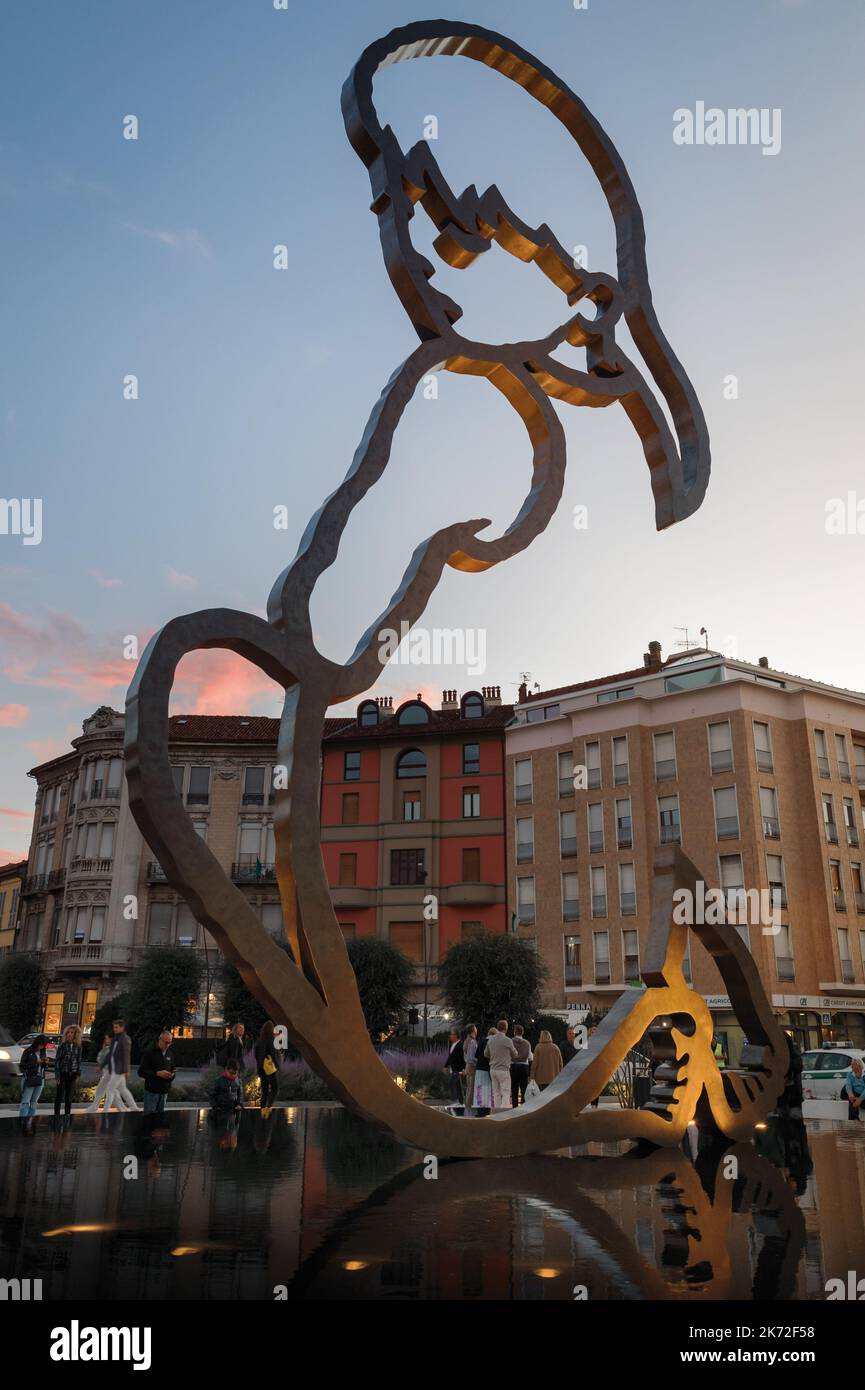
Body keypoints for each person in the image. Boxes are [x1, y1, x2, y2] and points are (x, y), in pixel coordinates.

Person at [138, 1030, 176, 1114]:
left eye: (170, 1042)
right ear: (160, 1040)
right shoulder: (149, 1052)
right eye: (166, 1042)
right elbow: (141, 1072)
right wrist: (157, 1073)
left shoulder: (170, 1053)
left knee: (160, 1120)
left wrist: (172, 1075)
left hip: (164, 1091)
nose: (168, 1045)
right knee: (149, 1118)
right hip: (152, 1091)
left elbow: (173, 1068)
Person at [105, 1019, 138, 1112]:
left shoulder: (125, 1039)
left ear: (122, 1027)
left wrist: (126, 1070)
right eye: (114, 1027)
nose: (114, 1029)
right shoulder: (115, 1038)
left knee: (110, 1089)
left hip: (119, 1069)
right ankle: (131, 1108)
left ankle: (106, 1110)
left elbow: (126, 1055)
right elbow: (110, 1054)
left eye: (116, 1027)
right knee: (122, 1089)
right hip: (114, 1068)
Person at [485, 1019, 517, 1110]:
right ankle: (504, 1113)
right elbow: (515, 1054)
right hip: (503, 1069)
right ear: (506, 1029)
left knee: (496, 1092)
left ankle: (496, 1111)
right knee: (506, 1091)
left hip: (493, 1069)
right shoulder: (507, 1040)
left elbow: (486, 1054)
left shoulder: (490, 1040)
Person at [19, 1034, 48, 1131]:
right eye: (40, 1044)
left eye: (43, 1045)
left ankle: (30, 1121)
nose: (41, 1047)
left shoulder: (43, 1053)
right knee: (26, 1101)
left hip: (40, 1078)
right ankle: (23, 1121)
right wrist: (36, 1063)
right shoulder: (28, 1051)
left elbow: (44, 1067)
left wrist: (45, 1063)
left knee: (34, 1102)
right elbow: (22, 1065)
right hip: (30, 1078)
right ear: (36, 1043)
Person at [53, 1025, 82, 1120]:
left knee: (69, 1098)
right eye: (68, 1033)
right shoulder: (62, 1046)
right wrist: (57, 1076)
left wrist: (78, 1074)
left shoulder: (78, 1047)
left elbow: (79, 1061)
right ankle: (56, 1117)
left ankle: (67, 1117)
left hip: (72, 1075)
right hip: (62, 1074)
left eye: (71, 1033)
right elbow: (57, 1061)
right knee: (59, 1097)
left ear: (75, 1035)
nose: (69, 1034)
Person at [256, 1020, 280, 1114]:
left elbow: (256, 1055)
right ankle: (268, 1108)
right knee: (275, 1088)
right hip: (269, 1069)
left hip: (261, 1068)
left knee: (264, 1090)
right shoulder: (270, 1039)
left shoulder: (259, 1040)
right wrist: (277, 1065)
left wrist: (259, 1066)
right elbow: (273, 1054)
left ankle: (262, 1110)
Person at [87, 1034, 114, 1112]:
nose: (106, 1040)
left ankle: (98, 1108)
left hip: (110, 1072)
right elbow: (100, 1058)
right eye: (105, 1039)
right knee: (107, 1090)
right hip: (106, 1072)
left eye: (107, 1039)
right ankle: (101, 1108)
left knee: (102, 1089)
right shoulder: (107, 1048)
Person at [473, 1027, 495, 1115]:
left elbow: (476, 1055)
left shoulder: (482, 1041)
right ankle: (486, 1109)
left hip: (479, 1069)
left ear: (488, 1033)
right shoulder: (493, 1042)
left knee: (479, 1089)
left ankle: (479, 1109)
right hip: (488, 1069)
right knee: (488, 1089)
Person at [510, 1024, 532, 1106]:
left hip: (514, 1065)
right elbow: (530, 1057)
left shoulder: (511, 1041)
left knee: (514, 1089)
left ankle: (514, 1107)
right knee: (524, 1089)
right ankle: (523, 1107)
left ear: (515, 1032)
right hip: (524, 1066)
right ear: (522, 1033)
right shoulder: (527, 1043)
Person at [444, 1026, 465, 1107]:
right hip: (453, 1068)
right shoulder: (452, 1045)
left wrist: (463, 1068)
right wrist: (445, 1066)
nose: (450, 1036)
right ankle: (461, 1102)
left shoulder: (460, 1045)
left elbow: (463, 1057)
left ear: (456, 1035)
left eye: (452, 1034)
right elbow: (450, 1057)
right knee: (457, 1085)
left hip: (458, 1068)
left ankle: (456, 1101)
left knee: (452, 1083)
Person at [462, 1024, 478, 1110]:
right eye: (475, 1028)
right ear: (473, 1030)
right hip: (472, 1066)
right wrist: (479, 1060)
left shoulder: (466, 1041)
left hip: (467, 1066)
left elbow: (466, 1056)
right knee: (471, 1088)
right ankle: (469, 1107)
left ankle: (467, 1105)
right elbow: (472, 1057)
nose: (476, 1030)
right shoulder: (472, 1041)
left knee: (468, 1088)